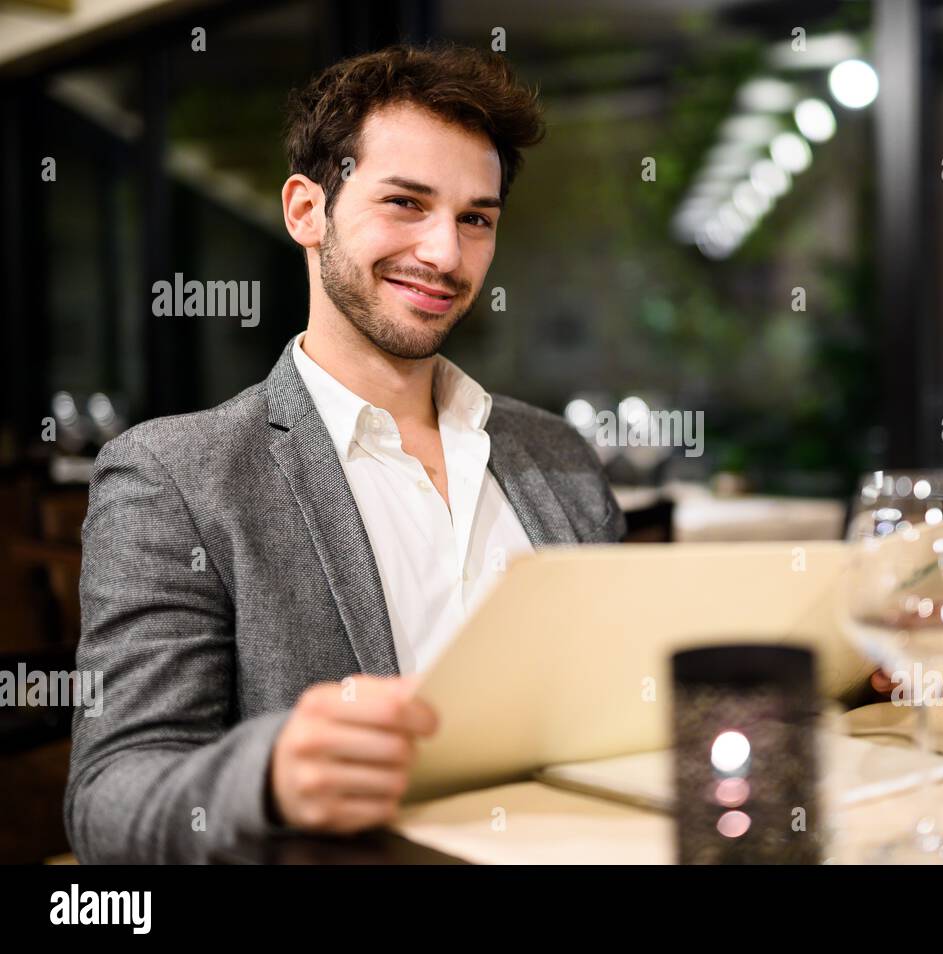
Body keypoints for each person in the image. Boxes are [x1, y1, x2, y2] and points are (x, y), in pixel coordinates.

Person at [65, 43, 623, 864]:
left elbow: (627, 705)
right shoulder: (174, 476)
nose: (444, 254)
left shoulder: (559, 457)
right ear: (305, 211)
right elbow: (109, 803)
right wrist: (270, 777)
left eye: (476, 218)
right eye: (405, 202)